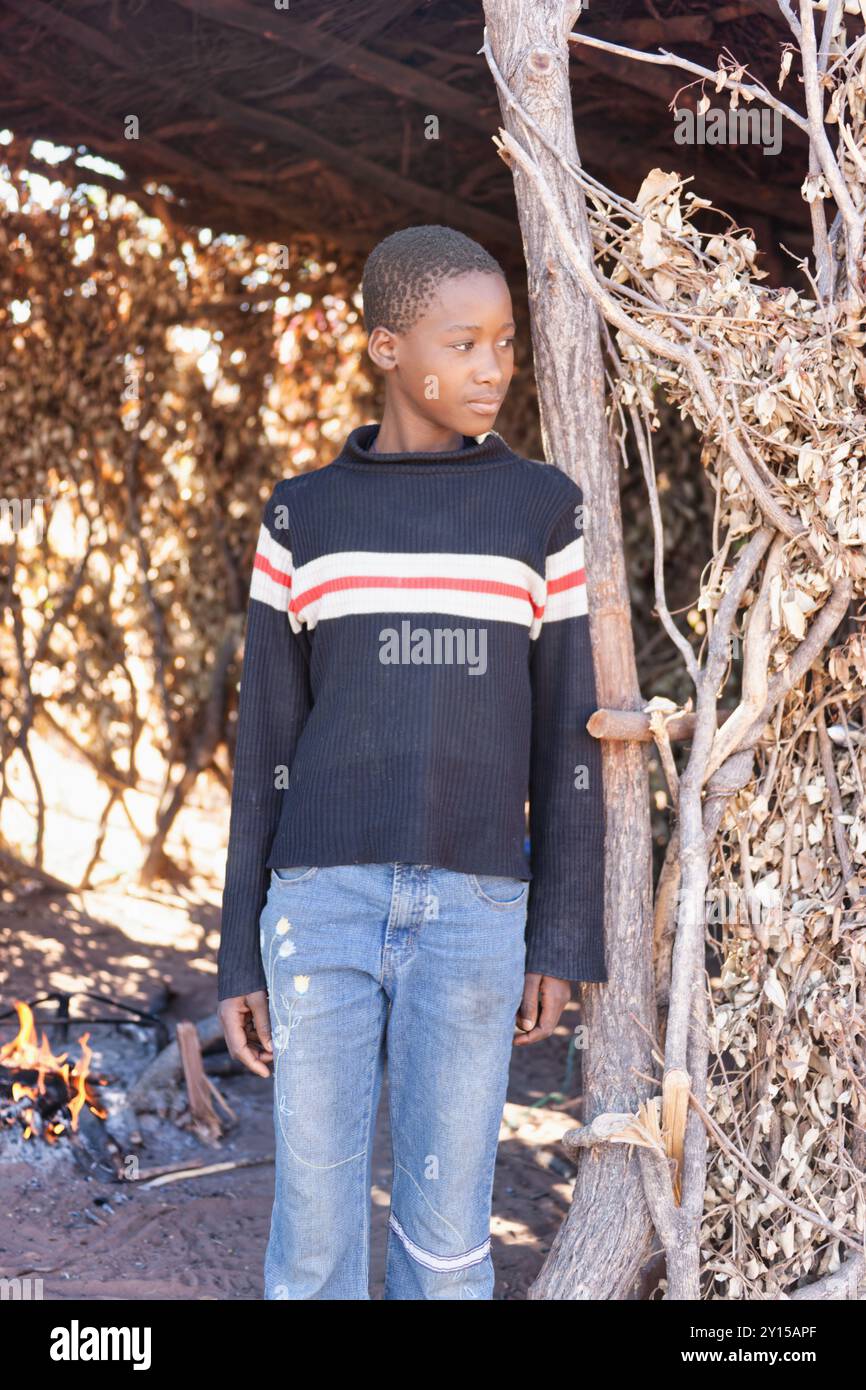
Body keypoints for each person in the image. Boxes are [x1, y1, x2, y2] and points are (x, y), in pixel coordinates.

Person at [216, 224, 607, 1300]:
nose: (492, 368)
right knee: (313, 1244)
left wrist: (560, 933)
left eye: (503, 344)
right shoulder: (305, 515)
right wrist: (237, 953)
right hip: (317, 907)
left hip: (475, 915)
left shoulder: (540, 512)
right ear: (386, 345)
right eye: (463, 342)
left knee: (445, 1245)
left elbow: (571, 736)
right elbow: (264, 748)